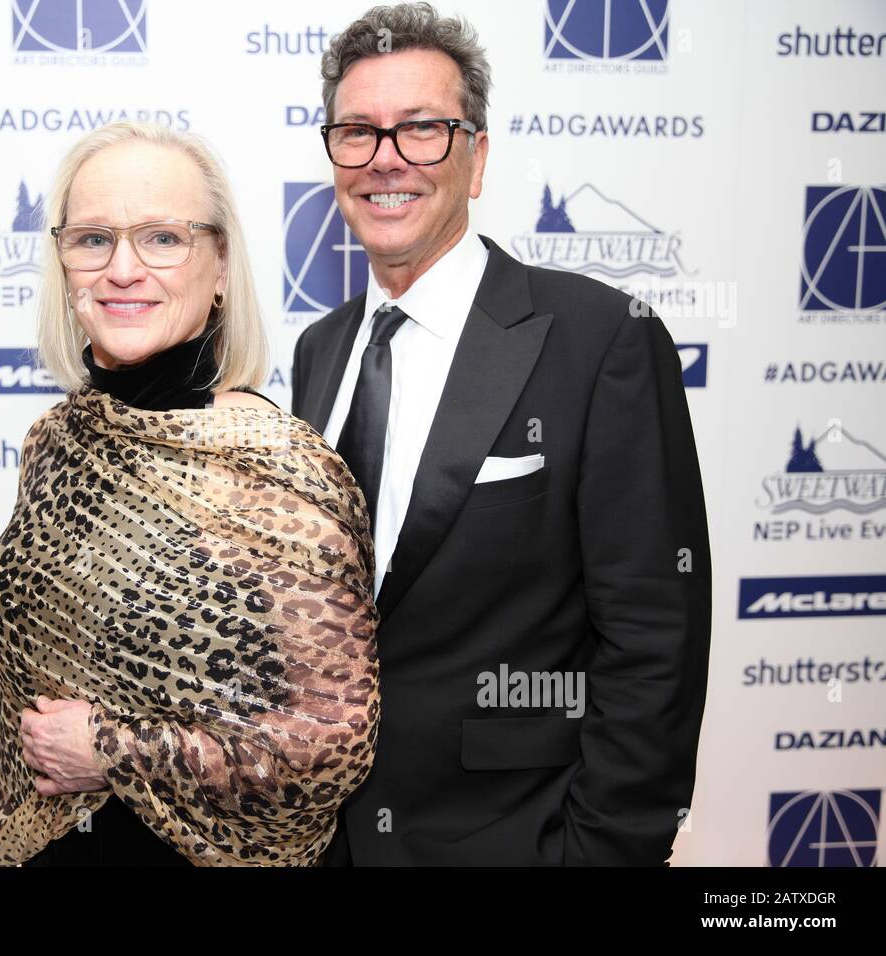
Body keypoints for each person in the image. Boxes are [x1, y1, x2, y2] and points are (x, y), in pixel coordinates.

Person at [292, 3, 711, 865]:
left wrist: (599, 854)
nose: (386, 161)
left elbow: (655, 639)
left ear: (476, 157)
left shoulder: (601, 339)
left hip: (515, 837)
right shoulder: (319, 350)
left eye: (422, 131)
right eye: (358, 133)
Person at [0, 121, 380, 867]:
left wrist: (109, 748)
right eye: (93, 239)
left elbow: (329, 745)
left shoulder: (276, 470)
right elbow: (21, 701)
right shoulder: (54, 442)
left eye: (162, 238)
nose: (122, 269)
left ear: (220, 264)